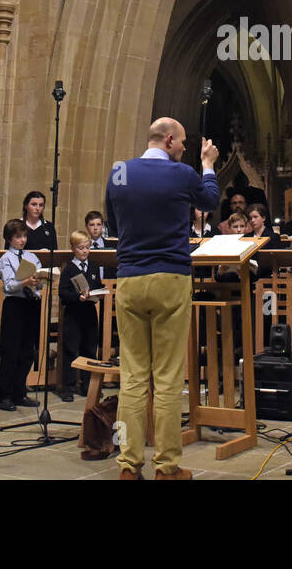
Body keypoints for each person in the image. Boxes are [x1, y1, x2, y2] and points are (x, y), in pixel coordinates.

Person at [104, 117, 219, 480]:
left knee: (133, 378)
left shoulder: (119, 172)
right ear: (169, 140)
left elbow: (112, 223)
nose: (185, 147)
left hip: (131, 279)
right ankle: (167, 468)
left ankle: (127, 466)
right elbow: (211, 201)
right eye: (183, 142)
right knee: (168, 379)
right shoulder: (183, 173)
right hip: (171, 277)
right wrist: (208, 166)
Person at [0, 218, 42, 412]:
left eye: (24, 236)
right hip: (15, 304)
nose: (22, 240)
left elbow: (39, 281)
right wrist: (24, 282)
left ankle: (19, 392)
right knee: (11, 351)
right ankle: (4, 395)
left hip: (31, 303)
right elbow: (8, 286)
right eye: (17, 237)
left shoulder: (31, 256)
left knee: (27, 351)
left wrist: (40, 280)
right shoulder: (6, 258)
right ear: (9, 239)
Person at [58, 229, 104, 401]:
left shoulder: (93, 267)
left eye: (87, 247)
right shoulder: (69, 269)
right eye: (81, 248)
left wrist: (98, 294)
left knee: (90, 350)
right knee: (71, 350)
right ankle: (68, 388)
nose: (85, 251)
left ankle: (88, 386)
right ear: (73, 249)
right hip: (74, 314)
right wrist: (78, 297)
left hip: (90, 313)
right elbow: (63, 292)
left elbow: (98, 285)